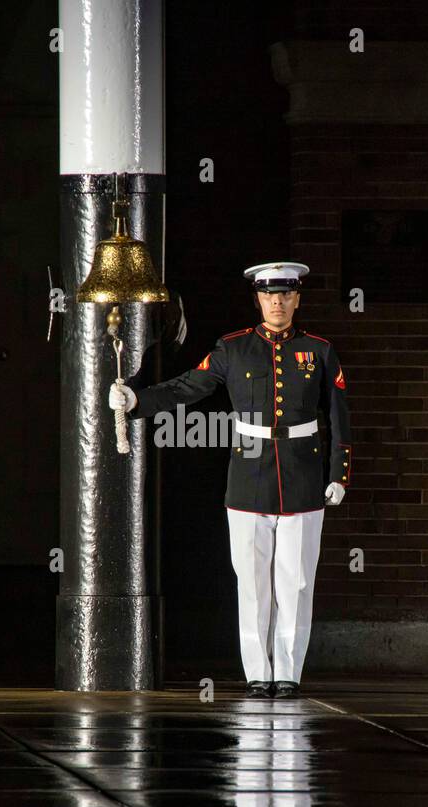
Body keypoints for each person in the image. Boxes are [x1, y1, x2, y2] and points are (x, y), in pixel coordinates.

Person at [109, 261, 351, 699]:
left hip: (302, 476)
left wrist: (339, 474)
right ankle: (259, 673)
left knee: (296, 583)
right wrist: (137, 400)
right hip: (249, 477)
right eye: (268, 295)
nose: (277, 302)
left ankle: (289, 674)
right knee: (254, 581)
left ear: (297, 298)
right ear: (257, 298)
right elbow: (188, 387)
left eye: (285, 294)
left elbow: (339, 419)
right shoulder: (233, 348)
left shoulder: (319, 350)